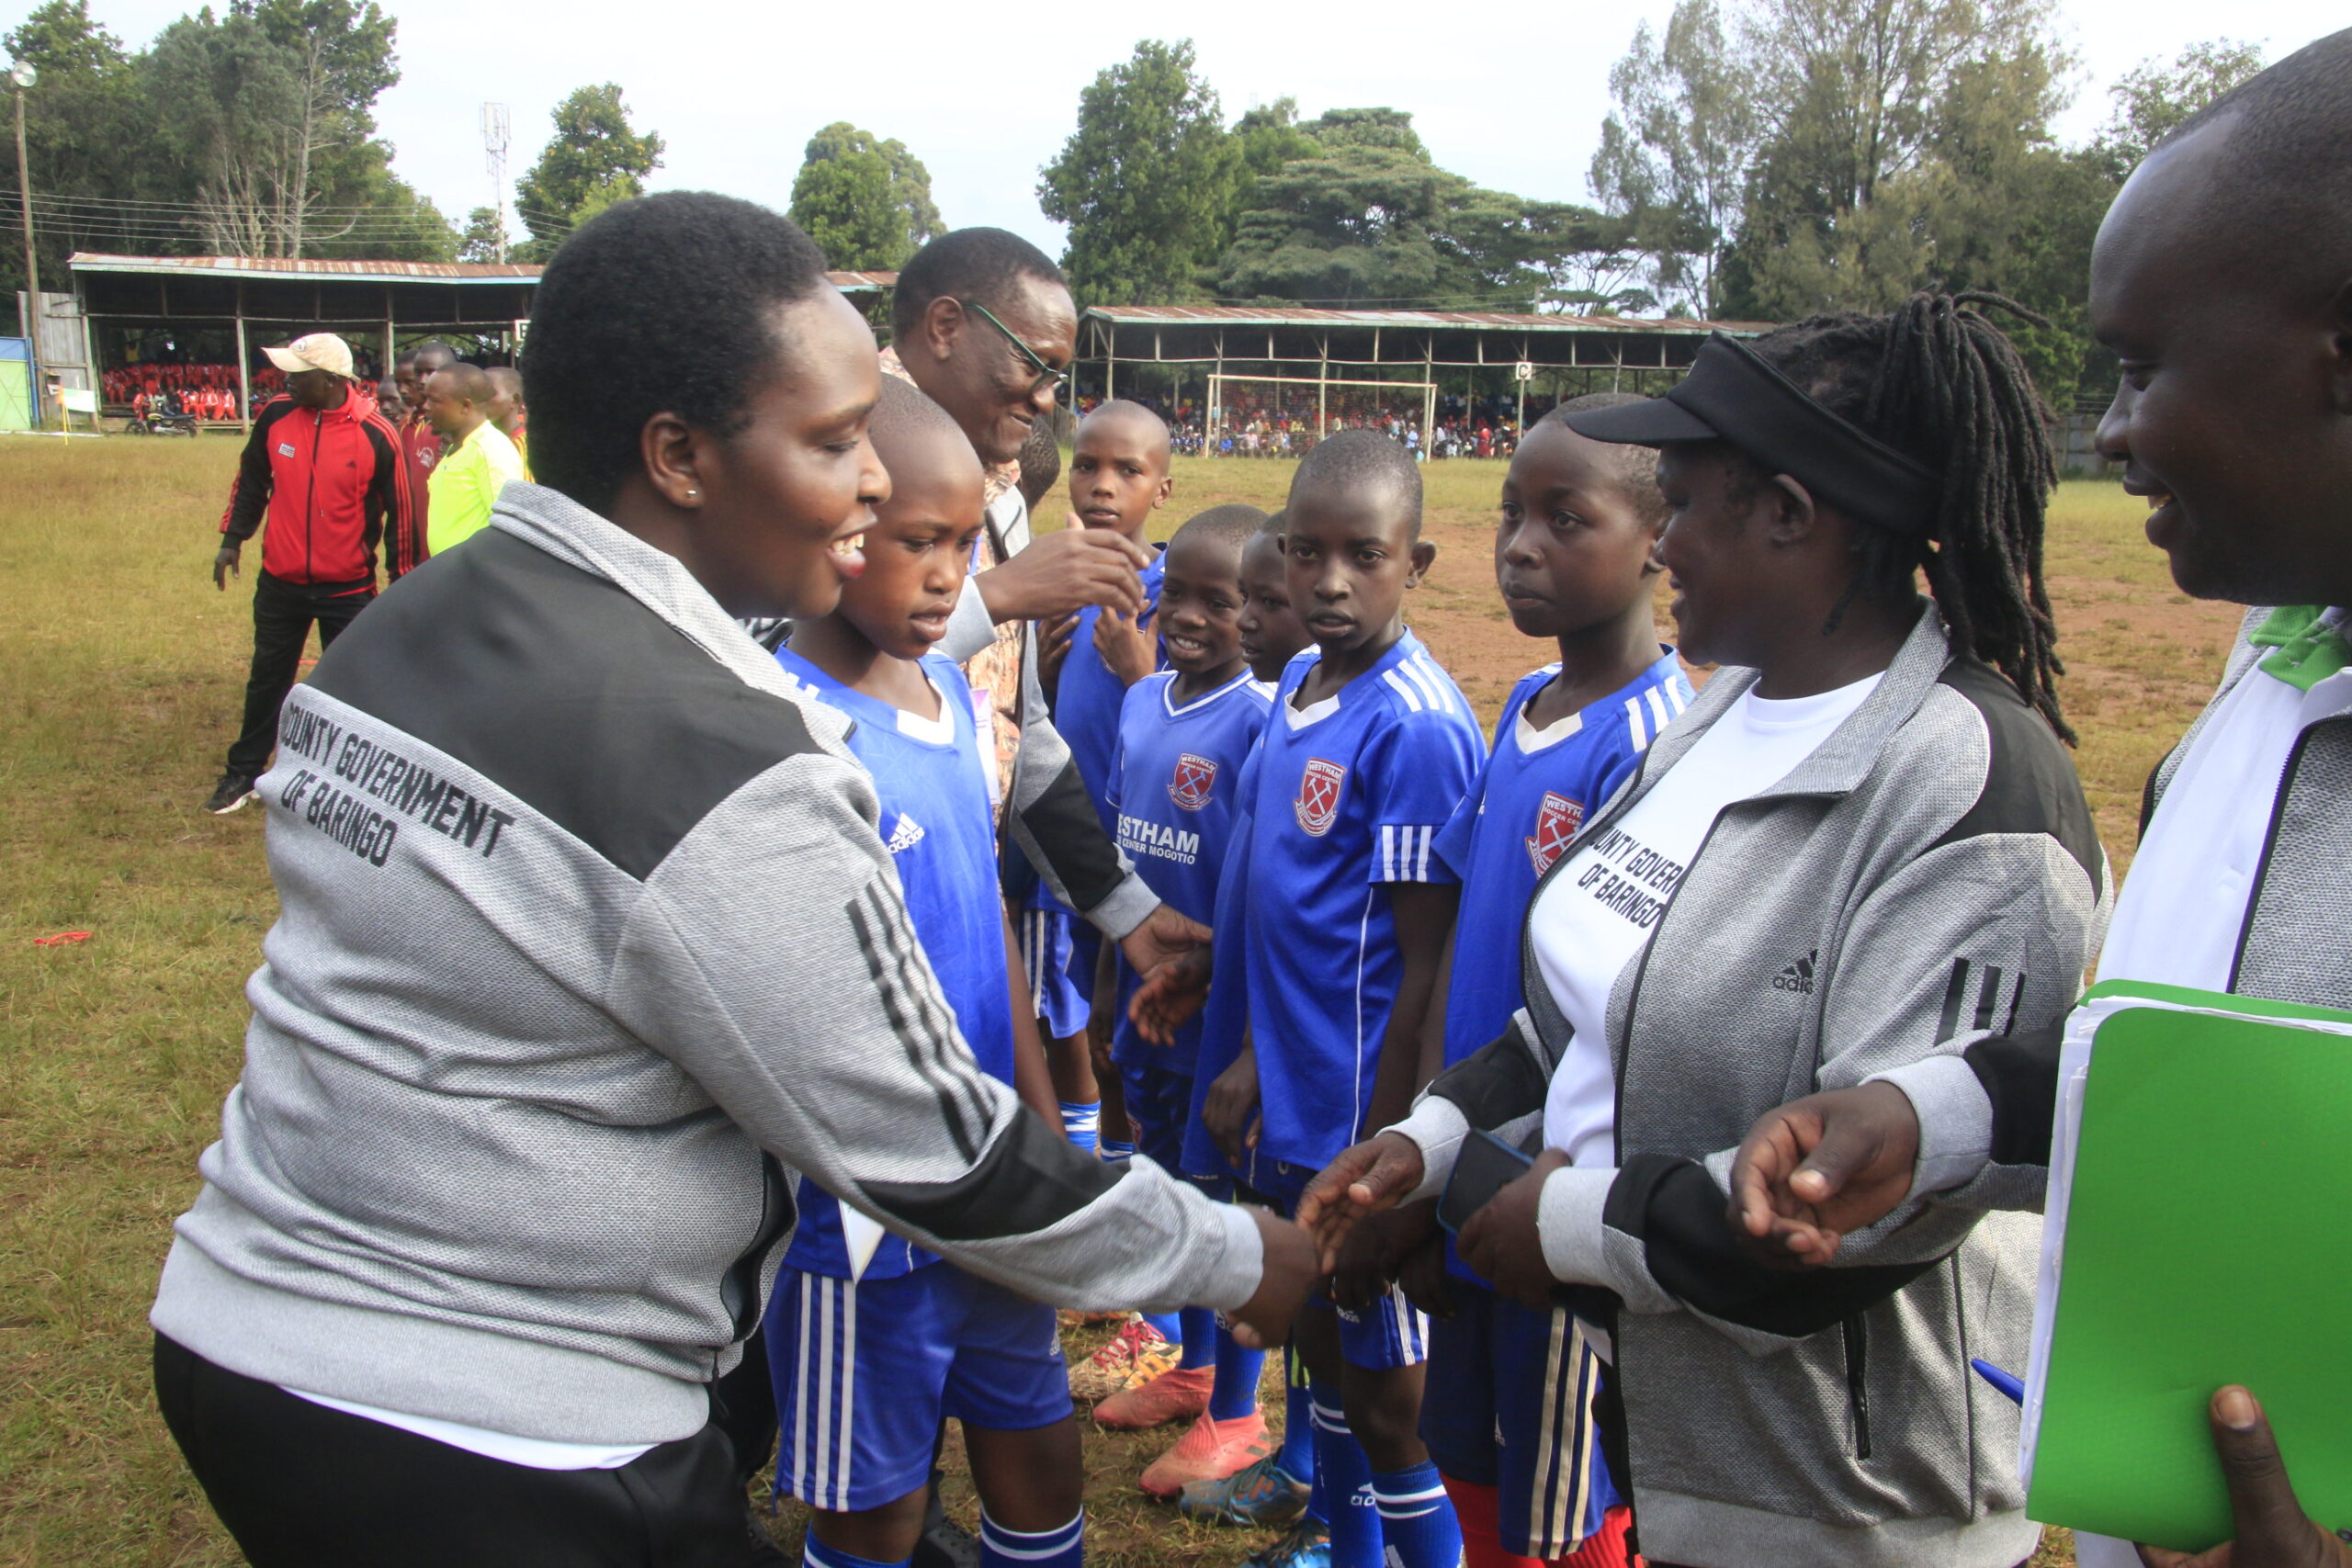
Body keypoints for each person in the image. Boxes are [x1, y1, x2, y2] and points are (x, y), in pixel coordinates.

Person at [149, 192, 1317, 1568]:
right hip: (502, 1428)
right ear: (680, 455)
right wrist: (1254, 1255)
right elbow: (935, 1156)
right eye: (833, 444)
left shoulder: (403, 631)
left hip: (238, 1333)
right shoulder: (723, 763)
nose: (875, 487)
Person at [1301, 300, 2106, 1568]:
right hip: (1677, 1426)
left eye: (1682, 504)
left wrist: (1558, 1225)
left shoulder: (1973, 781)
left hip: (1851, 1501)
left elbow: (1862, 1205)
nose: (1661, 538)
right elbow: (1584, 1009)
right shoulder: (1716, 708)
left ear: (1790, 512)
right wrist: (1436, 1135)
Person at [1725, 30, 2352, 1568]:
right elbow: (2190, 1068)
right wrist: (1925, 1116)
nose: (2118, 429)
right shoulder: (2268, 680)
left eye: (2143, 366)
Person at [764, 375, 1091, 1568]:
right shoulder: (787, 722)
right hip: (867, 1216)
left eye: (966, 542)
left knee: (1038, 1443)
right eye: (919, 541)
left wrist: (1046, 1137)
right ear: (842, 532)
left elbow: (990, 923)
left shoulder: (957, 696)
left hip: (996, 1176)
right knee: (875, 1504)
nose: (953, 575)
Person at [1391, 397, 1690, 1568]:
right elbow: (1462, 930)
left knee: (1562, 1496)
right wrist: (1427, 1149)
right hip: (1470, 1154)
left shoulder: (1662, 736)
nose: (1519, 545)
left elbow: (1634, 1005)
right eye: (1512, 515)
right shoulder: (1521, 706)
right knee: (1466, 1446)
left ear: (1658, 539)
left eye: (1566, 519)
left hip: (1557, 1189)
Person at [1229, 432, 1485, 1568]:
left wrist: (1390, 1145)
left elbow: (1425, 963)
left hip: (1354, 1112)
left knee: (1390, 1400)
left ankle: (1398, 1546)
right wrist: (1240, 1046)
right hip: (1285, 1086)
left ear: (1414, 564)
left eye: (1363, 556)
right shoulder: (1294, 680)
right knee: (1325, 1347)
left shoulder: (1416, 722)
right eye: (1305, 552)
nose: (1327, 581)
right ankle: (1336, 1538)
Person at [883, 230, 1210, 1028]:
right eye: (1032, 364)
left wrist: (1126, 907)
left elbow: (1018, 733)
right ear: (947, 326)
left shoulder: (999, 492)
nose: (1043, 400)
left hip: (967, 896)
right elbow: (791, 680)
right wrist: (993, 597)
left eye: (1056, 376)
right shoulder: (839, 452)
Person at [1089, 504, 1278, 1474]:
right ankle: (1196, 1370)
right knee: (1166, 1178)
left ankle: (1240, 1414)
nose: (1196, 618)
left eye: (1226, 601)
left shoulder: (1258, 717)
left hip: (1211, 1004)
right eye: (1182, 597)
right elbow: (1121, 843)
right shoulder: (1140, 700)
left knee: (1220, 1195)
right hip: (1144, 998)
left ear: (1261, 610)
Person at [1166, 512, 1328, 1549]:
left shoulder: (1399, 722)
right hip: (1239, 1024)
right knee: (1304, 1293)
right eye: (1252, 600)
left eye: (1264, 603)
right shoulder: (1295, 713)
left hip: (1323, 1074)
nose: (1257, 620)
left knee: (1342, 1307)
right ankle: (1295, 1458)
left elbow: (1357, 935)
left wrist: (1262, 1051)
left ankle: (1314, 1478)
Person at [203, 333, 412, 815]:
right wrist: (233, 538)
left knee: (354, 687)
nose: (286, 382)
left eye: (298, 375)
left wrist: (401, 582)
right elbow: (252, 477)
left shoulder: (378, 433)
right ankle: (245, 773)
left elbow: (402, 513)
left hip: (349, 587)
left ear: (333, 380)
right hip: (280, 581)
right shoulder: (276, 415)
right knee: (267, 677)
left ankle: (354, 786)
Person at [421, 363, 528, 557]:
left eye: (434, 400)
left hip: (473, 578)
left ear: (466, 406)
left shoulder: (490, 450)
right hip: (450, 574)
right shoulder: (459, 447)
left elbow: (509, 529)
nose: (425, 407)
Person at [395, 342, 453, 568]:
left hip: (452, 558)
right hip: (422, 553)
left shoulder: (472, 433)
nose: (422, 380)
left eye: (431, 372)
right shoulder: (418, 426)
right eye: (418, 373)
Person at [484, 366, 528, 474]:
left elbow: (523, 489)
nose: (481, 399)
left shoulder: (521, 445)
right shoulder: (482, 441)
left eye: (490, 393)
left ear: (514, 400)